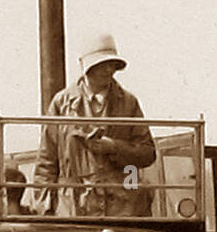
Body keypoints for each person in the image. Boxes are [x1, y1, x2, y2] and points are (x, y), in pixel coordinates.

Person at [34, 33, 156, 217]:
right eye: (101, 65)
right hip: (74, 208)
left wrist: (114, 147)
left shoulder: (129, 103)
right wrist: (44, 207)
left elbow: (147, 153)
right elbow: (47, 161)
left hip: (121, 209)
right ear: (87, 67)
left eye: (112, 65)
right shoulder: (62, 103)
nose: (108, 71)